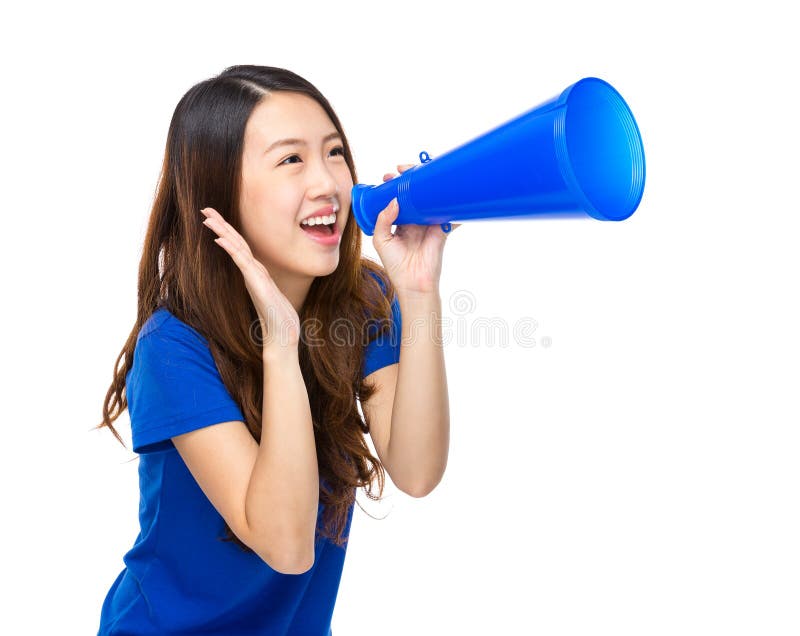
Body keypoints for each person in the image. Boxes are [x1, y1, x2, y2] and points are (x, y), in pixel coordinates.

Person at [95, 65, 460, 635]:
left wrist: (418, 293)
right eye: (292, 160)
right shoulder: (172, 347)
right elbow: (287, 546)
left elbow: (416, 470)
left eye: (334, 152)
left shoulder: (363, 300)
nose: (328, 183)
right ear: (221, 195)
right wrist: (281, 346)